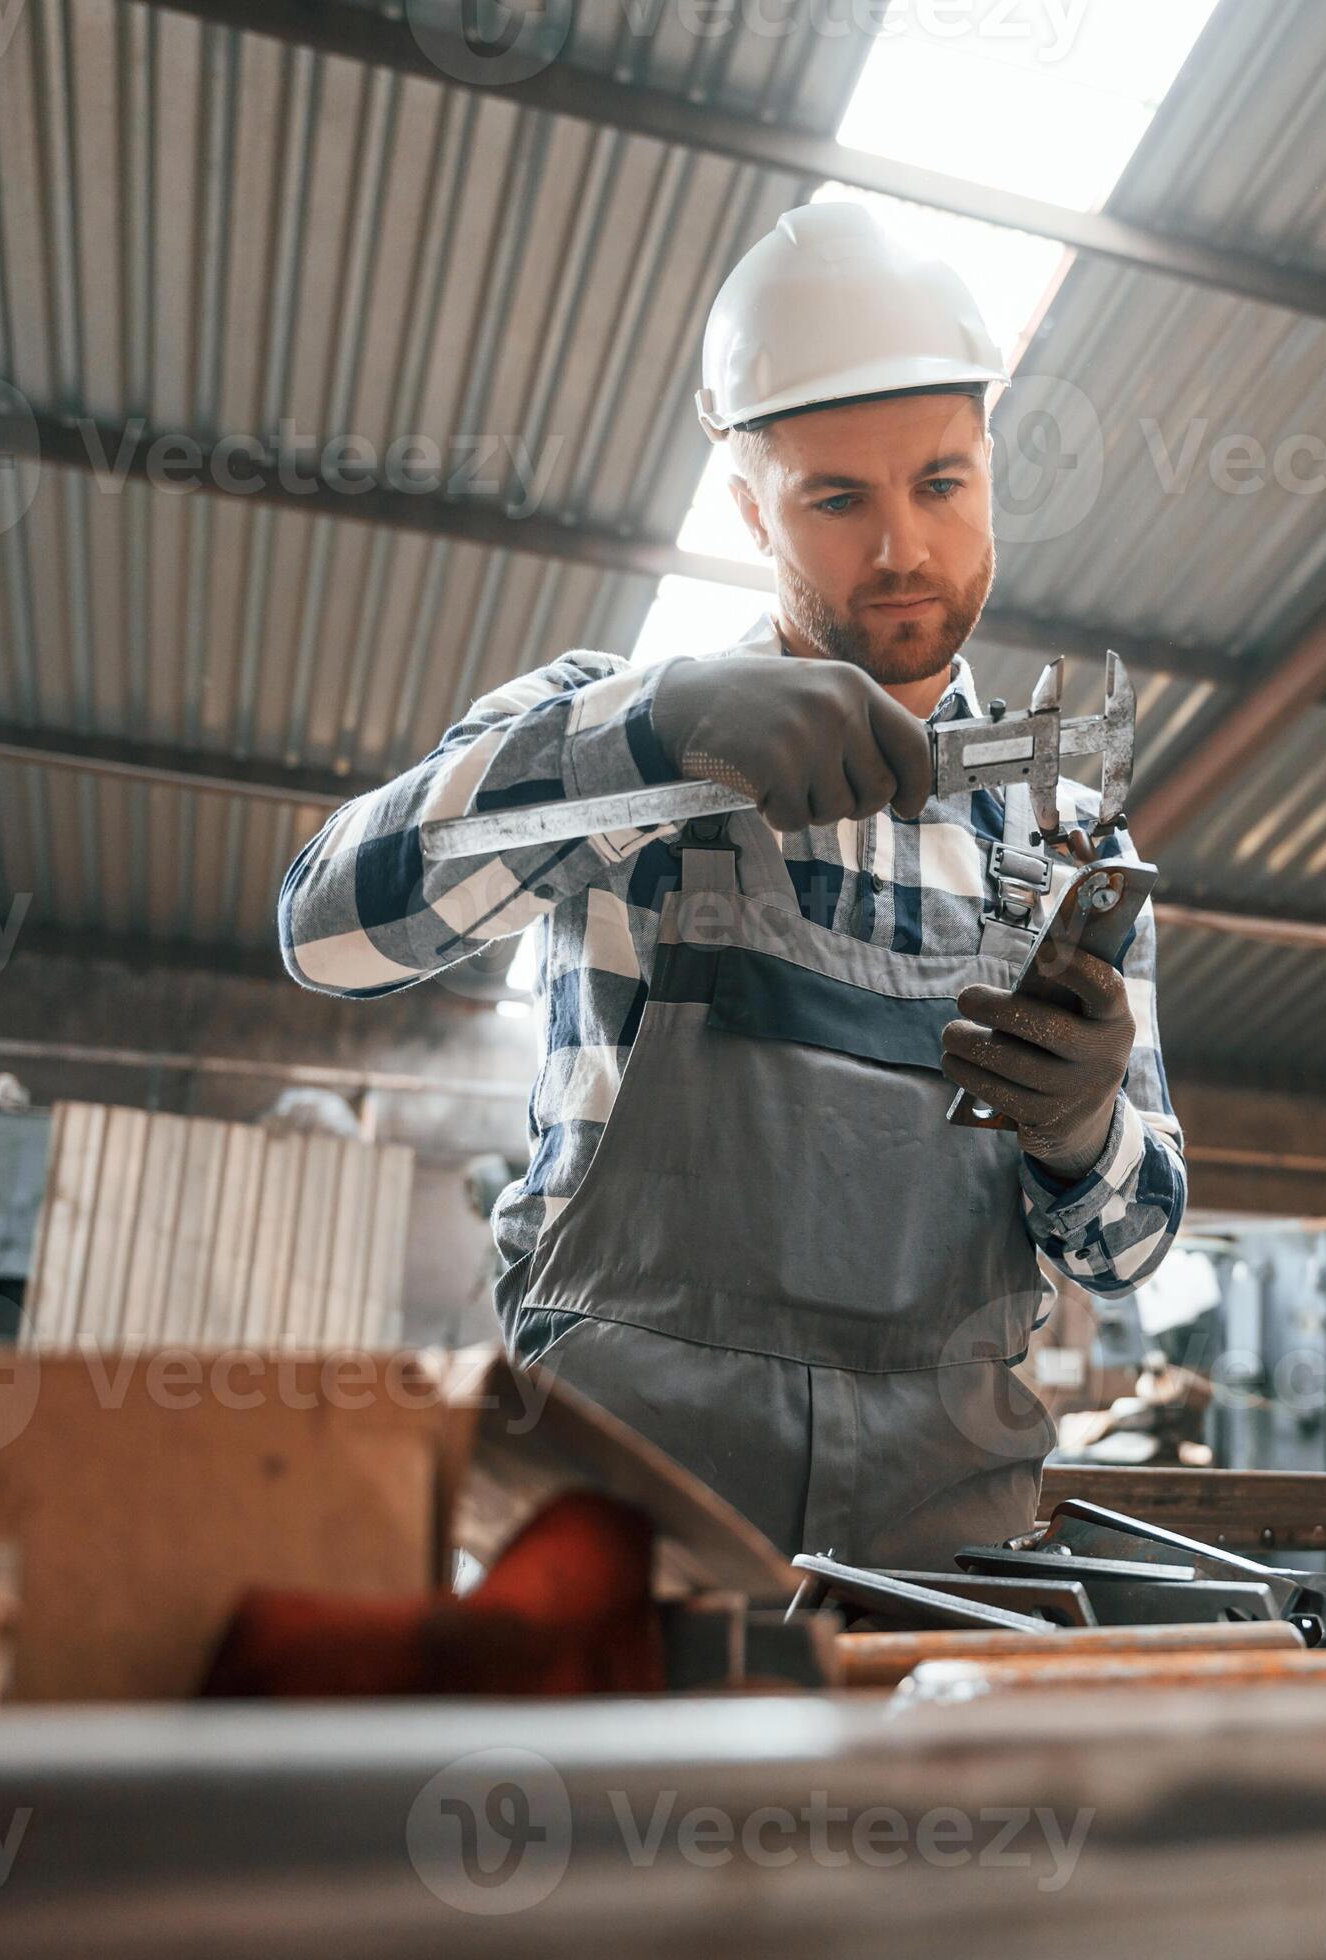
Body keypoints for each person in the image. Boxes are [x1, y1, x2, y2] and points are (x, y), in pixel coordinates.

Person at [281, 203, 1185, 1564]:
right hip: (624, 1511)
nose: (902, 551)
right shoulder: (603, 731)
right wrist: (647, 737)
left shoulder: (1068, 842)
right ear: (744, 498)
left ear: (992, 462)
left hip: (942, 1549)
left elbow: (1129, 1248)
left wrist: (1080, 1129)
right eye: (837, 499)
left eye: (941, 483)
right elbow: (330, 927)